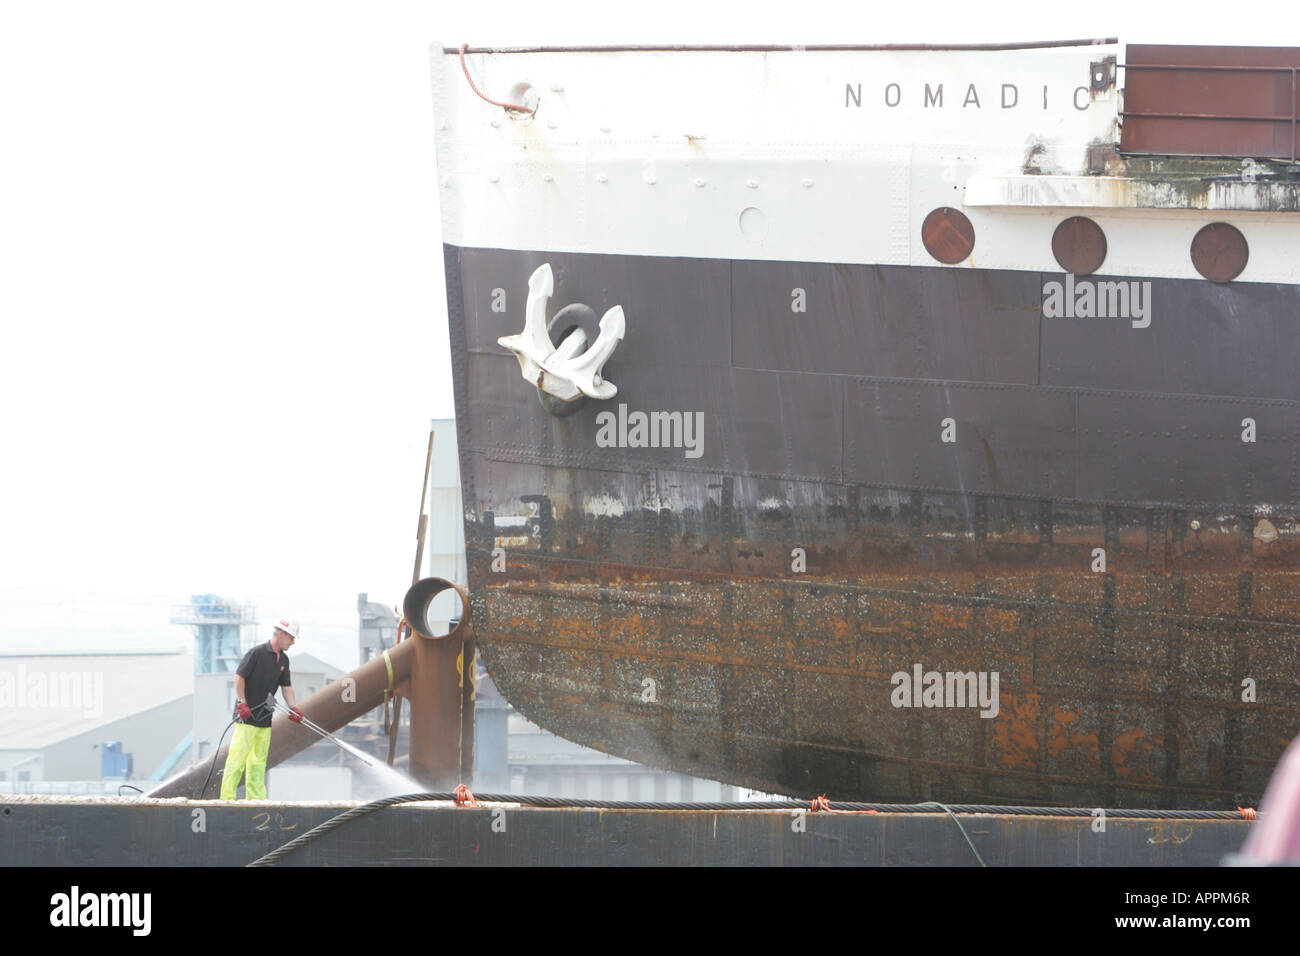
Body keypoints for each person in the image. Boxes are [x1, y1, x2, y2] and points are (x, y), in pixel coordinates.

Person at [219, 619, 305, 800]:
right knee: (237, 759)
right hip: (247, 716)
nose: (293, 642)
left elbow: (286, 686)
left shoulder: (283, 659)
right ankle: (227, 798)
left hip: (265, 718)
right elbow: (239, 676)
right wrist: (241, 702)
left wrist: (293, 707)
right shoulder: (257, 653)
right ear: (280, 634)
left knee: (258, 762)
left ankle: (256, 798)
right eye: (291, 638)